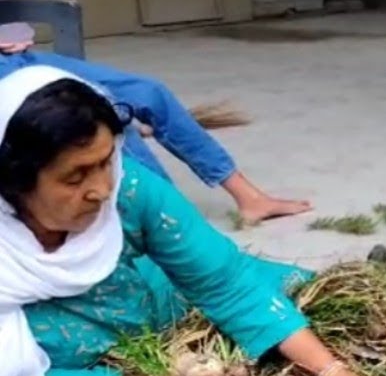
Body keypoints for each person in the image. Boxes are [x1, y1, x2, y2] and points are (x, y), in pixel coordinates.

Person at [0, 65, 386, 376]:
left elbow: (226, 283)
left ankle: (369, 292)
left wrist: (330, 371)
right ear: (14, 180)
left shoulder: (128, 191)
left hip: (144, 303)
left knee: (282, 284)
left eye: (106, 161)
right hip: (55, 374)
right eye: (74, 176)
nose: (100, 189)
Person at [0, 21, 312, 225]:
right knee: (112, 114)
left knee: (149, 92)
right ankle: (173, 221)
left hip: (13, 56)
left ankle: (250, 198)